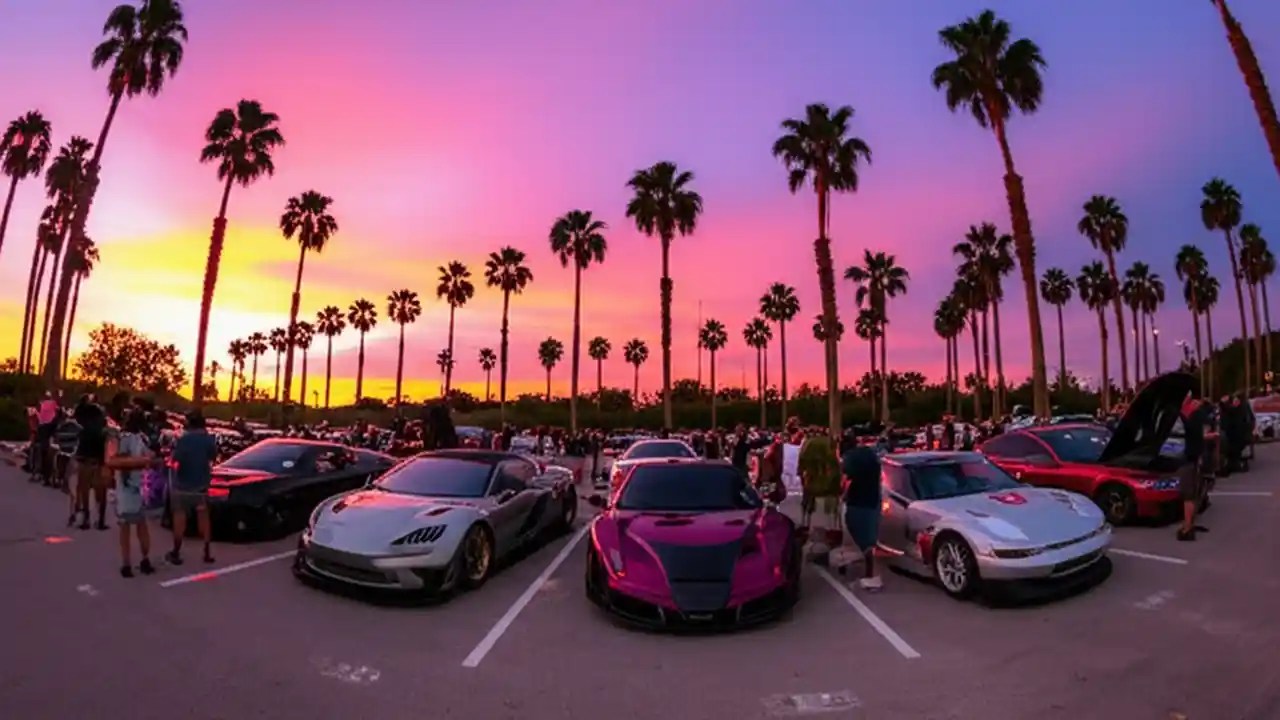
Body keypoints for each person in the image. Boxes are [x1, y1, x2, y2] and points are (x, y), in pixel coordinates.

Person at [108, 409, 155, 577]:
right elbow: (151, 457)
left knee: (125, 528)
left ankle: (126, 563)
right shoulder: (143, 439)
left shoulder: (121, 438)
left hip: (124, 486)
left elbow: (111, 459)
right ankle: (145, 559)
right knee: (142, 525)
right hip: (140, 486)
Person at [169, 411, 218, 565]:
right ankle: (206, 553)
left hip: (182, 486)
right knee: (203, 518)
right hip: (201, 487)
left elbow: (175, 459)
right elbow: (213, 456)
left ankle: (176, 552)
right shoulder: (208, 440)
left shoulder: (183, 440)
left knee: (180, 518)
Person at [841, 444, 882, 591]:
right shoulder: (871, 457)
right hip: (872, 500)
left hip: (857, 502)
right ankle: (870, 573)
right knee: (869, 536)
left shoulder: (851, 458)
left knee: (860, 534)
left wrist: (843, 493)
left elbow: (846, 478)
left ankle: (872, 576)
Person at [72, 394, 110, 530]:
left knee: (84, 488)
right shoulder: (102, 427)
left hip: (85, 458)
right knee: (102, 491)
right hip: (99, 459)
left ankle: (86, 519)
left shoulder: (82, 426)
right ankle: (101, 520)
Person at [1177, 395, 1212, 542]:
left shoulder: (1193, 419)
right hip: (1195, 459)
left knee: (1188, 496)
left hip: (1189, 460)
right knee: (1192, 495)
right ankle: (1189, 524)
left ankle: (1187, 528)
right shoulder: (1199, 418)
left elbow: (1186, 428)